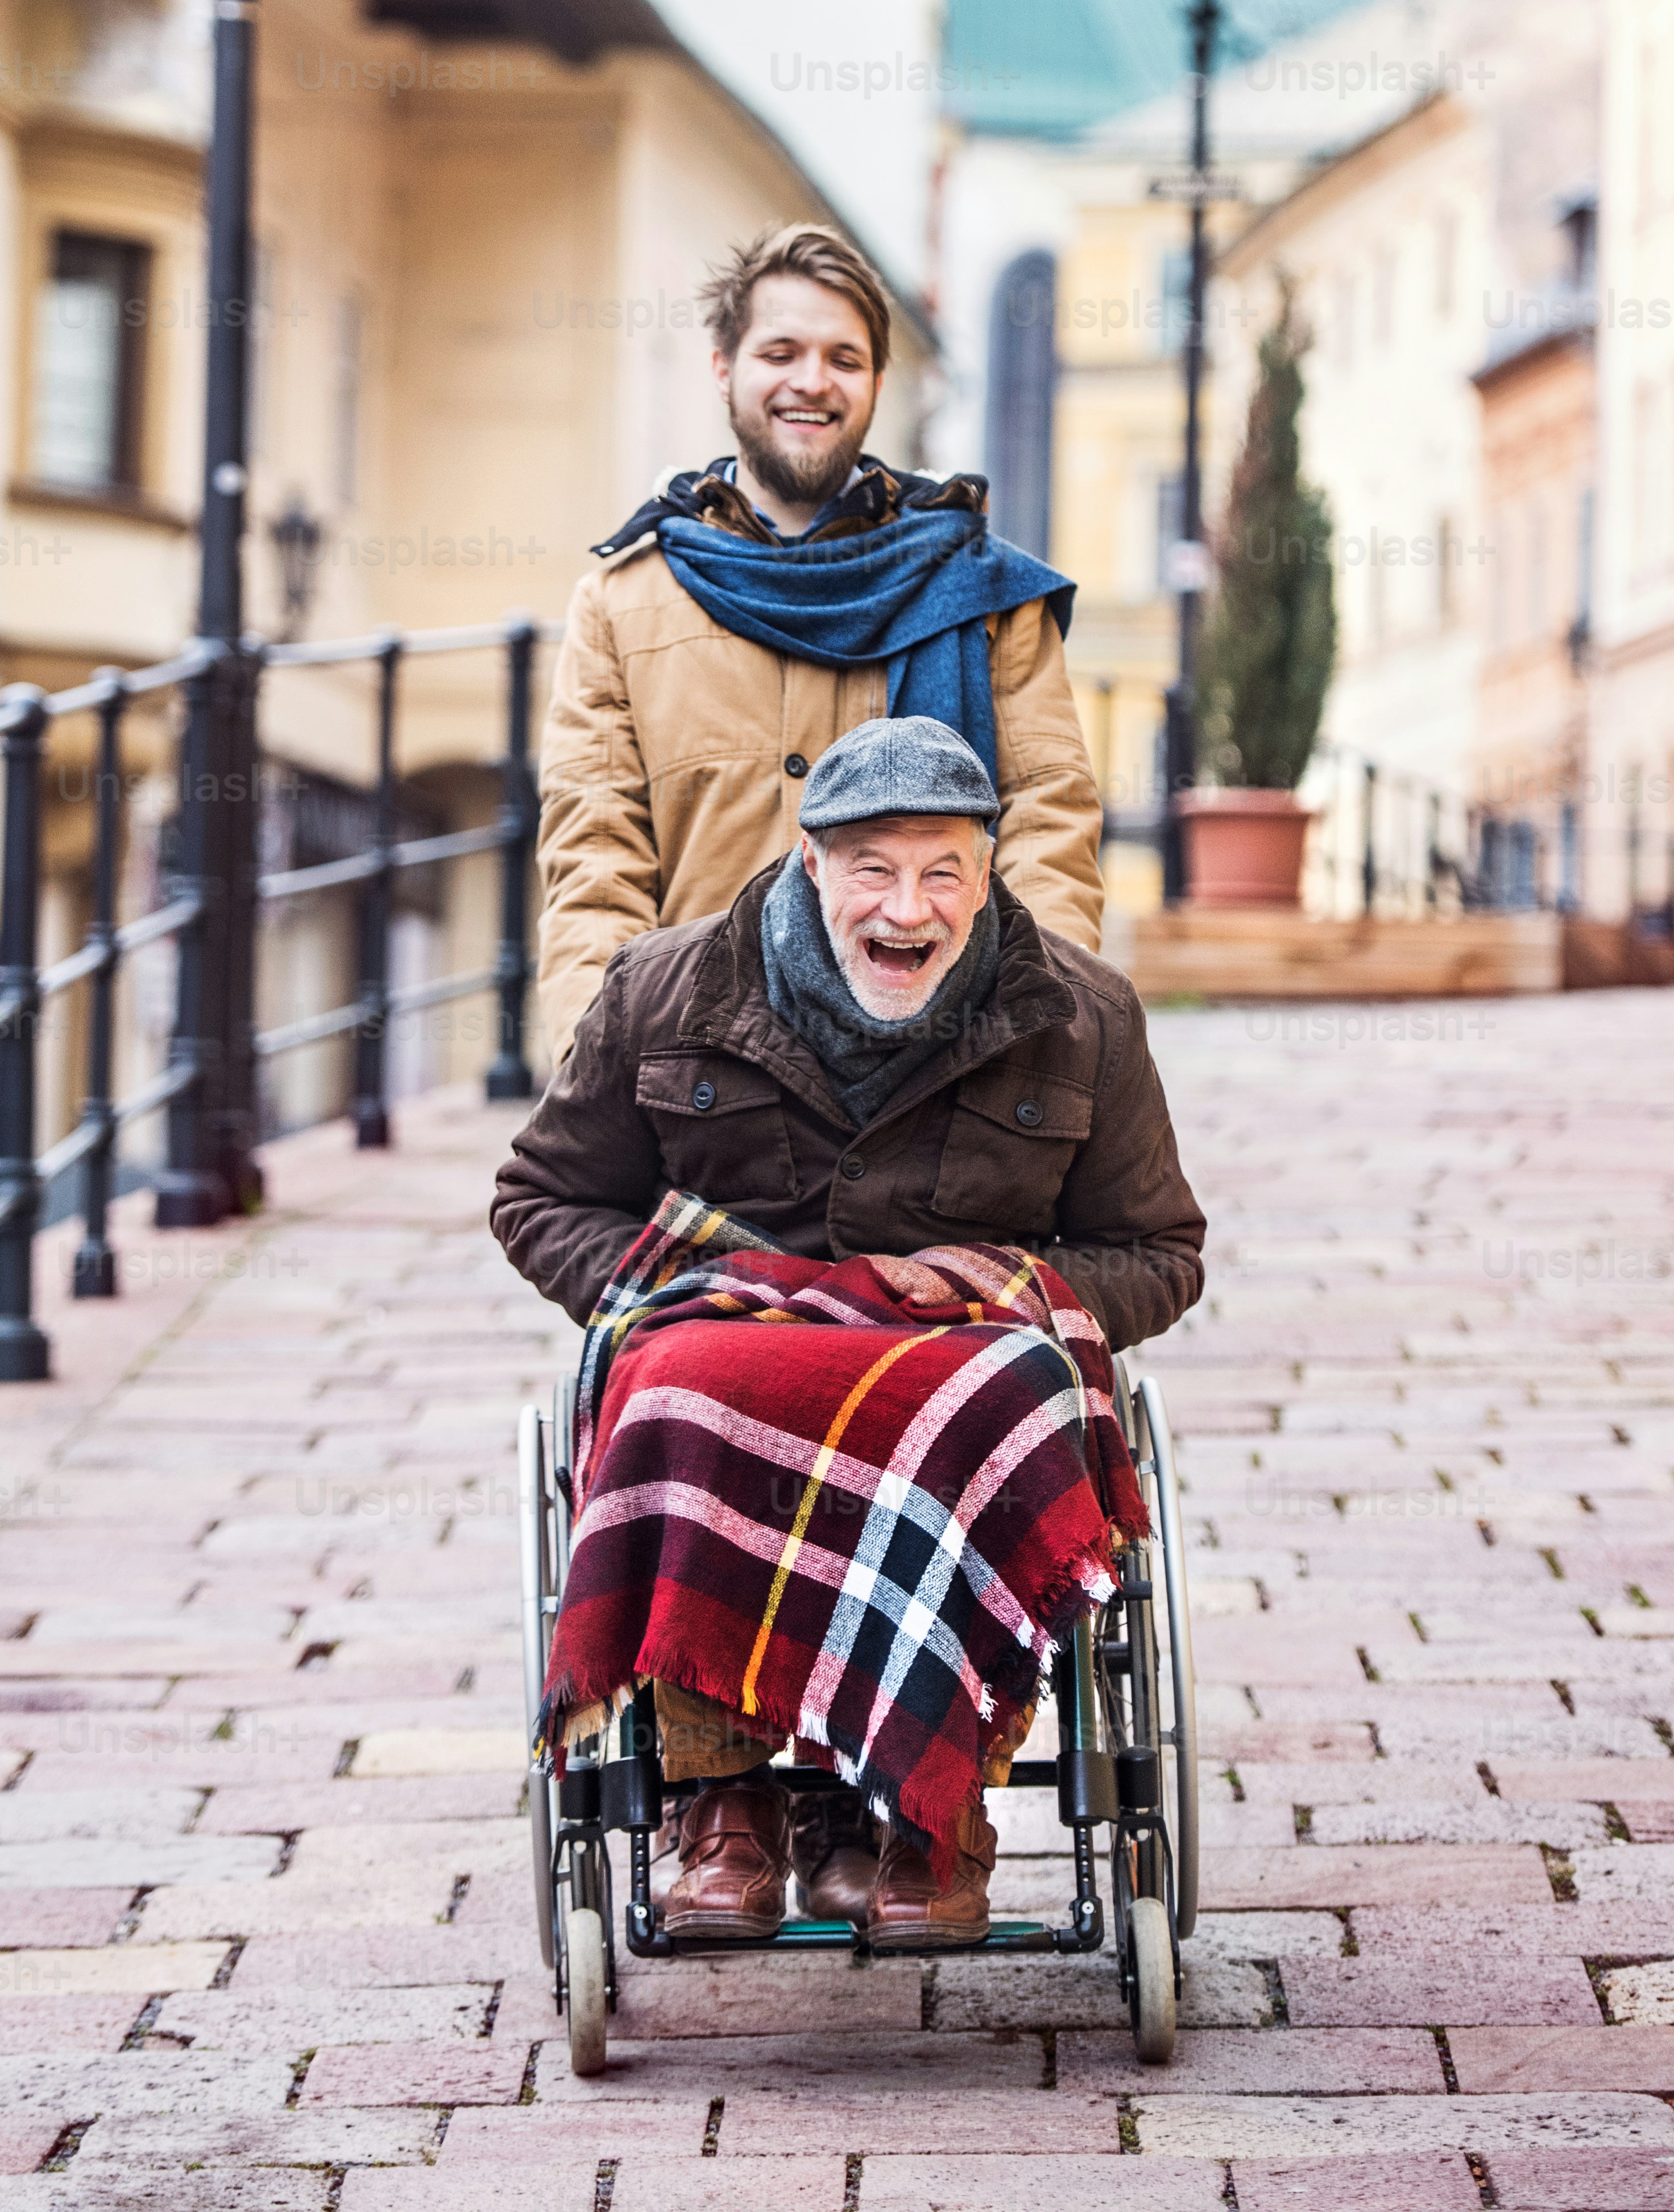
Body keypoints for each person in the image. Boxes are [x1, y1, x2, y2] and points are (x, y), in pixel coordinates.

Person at [493, 715, 1204, 1949]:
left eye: (942, 872)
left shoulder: (1080, 1014)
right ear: (810, 861)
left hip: (945, 1365)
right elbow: (540, 1199)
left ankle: (924, 1811)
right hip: (733, 1343)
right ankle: (724, 1799)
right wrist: (686, 1291)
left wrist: (1005, 1286)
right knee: (679, 1379)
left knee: (1013, 1388)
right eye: (872, 868)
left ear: (988, 874)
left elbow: (1158, 1252)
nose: (907, 908)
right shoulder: (665, 990)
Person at [534, 221, 1107, 1062]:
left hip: (940, 1070)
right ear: (725, 368)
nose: (812, 382)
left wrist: (1045, 1052)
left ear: (878, 380)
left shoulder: (982, 594)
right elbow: (597, 859)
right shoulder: (624, 604)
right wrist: (604, 1066)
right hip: (702, 1072)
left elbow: (1048, 830)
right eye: (781, 352)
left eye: (843, 358)